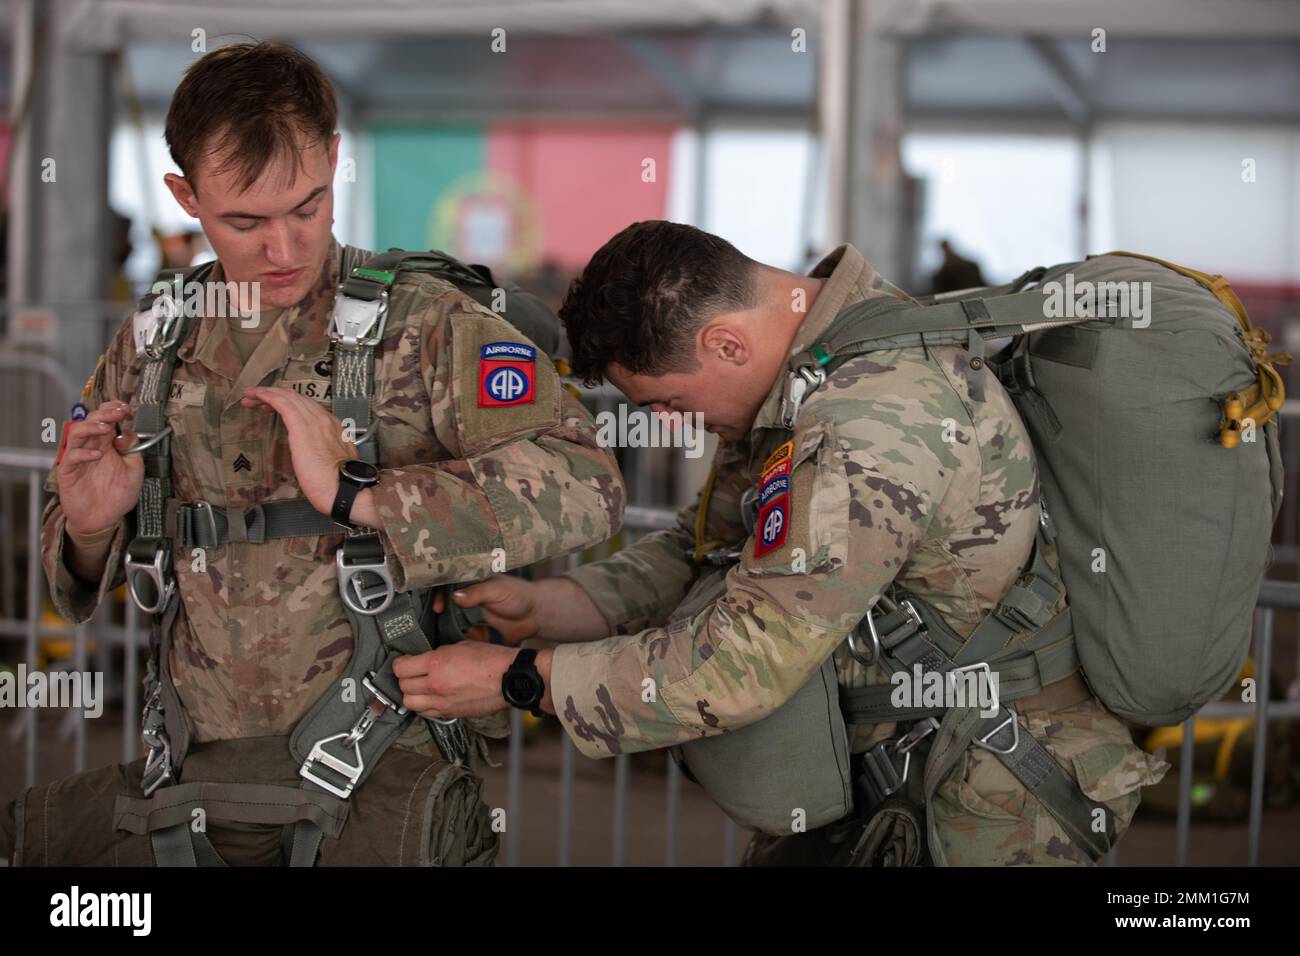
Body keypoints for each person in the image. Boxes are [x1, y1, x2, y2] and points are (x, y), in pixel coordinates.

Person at [0, 41, 623, 867]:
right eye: (244, 222)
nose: (284, 249)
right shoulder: (155, 341)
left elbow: (587, 485)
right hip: (193, 766)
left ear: (335, 160)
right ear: (185, 196)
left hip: (378, 764)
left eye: (308, 205)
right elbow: (72, 572)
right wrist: (86, 528)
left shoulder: (425, 325)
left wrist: (362, 495)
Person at [407, 219, 1166, 866]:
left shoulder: (868, 419)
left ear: (727, 344)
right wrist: (550, 606)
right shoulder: (813, 371)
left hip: (987, 801)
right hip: (896, 773)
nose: (669, 426)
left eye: (667, 401)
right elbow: (704, 548)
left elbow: (744, 660)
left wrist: (520, 680)